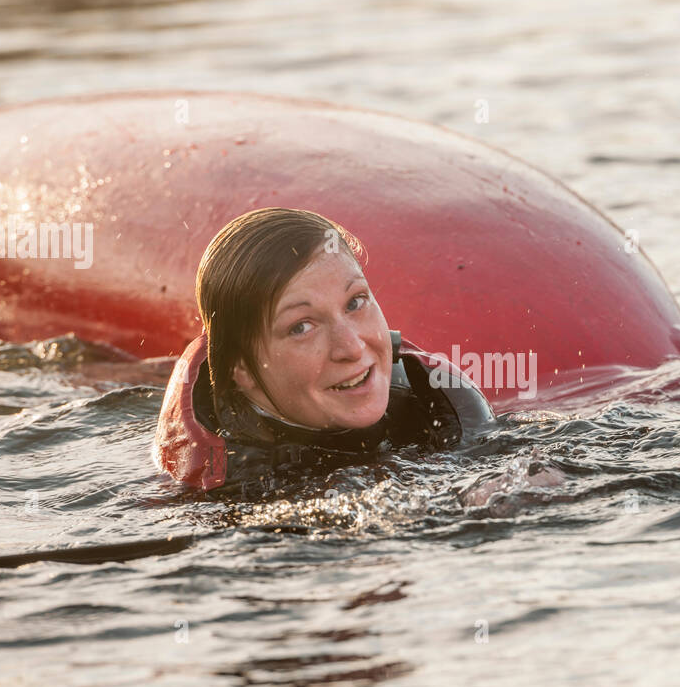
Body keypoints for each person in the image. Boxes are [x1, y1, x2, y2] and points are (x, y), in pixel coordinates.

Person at [153, 207, 493, 498]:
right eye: (301, 327)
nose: (352, 347)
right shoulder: (230, 483)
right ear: (241, 370)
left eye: (355, 302)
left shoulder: (434, 400)